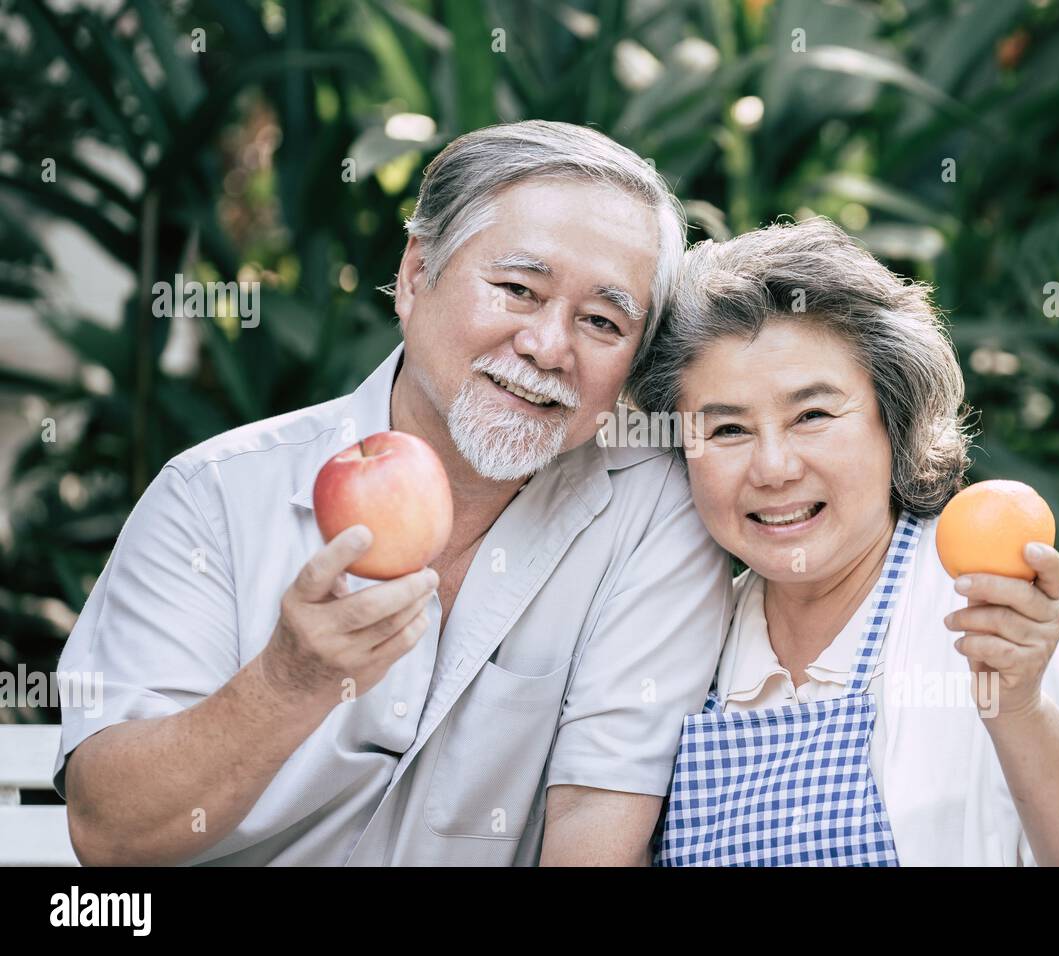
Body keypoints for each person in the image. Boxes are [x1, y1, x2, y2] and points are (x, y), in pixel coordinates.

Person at [55, 120, 733, 866]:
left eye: (601, 321)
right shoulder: (214, 495)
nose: (547, 346)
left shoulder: (655, 512)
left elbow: (594, 833)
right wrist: (289, 681)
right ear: (416, 275)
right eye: (516, 289)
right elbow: (111, 835)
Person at [629, 218, 1059, 866]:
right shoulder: (680, 641)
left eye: (812, 415)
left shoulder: (1007, 607)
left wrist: (1019, 707)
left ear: (892, 419)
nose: (774, 467)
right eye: (727, 429)